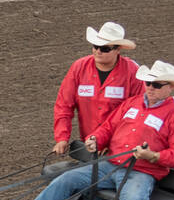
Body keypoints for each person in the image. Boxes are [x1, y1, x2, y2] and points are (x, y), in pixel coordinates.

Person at [6, 60, 174, 200]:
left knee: (132, 199)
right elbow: (107, 128)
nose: (150, 88)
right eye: (148, 83)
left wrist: (153, 155)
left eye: (156, 85)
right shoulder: (131, 104)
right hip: (109, 165)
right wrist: (95, 139)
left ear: (170, 87)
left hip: (140, 173)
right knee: (66, 179)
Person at [52, 22, 141, 157]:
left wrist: (116, 142)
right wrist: (62, 138)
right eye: (96, 46)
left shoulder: (132, 72)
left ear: (118, 50)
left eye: (105, 49)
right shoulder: (79, 67)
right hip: (89, 145)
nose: (98, 51)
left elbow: (139, 113)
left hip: (119, 147)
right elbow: (64, 105)